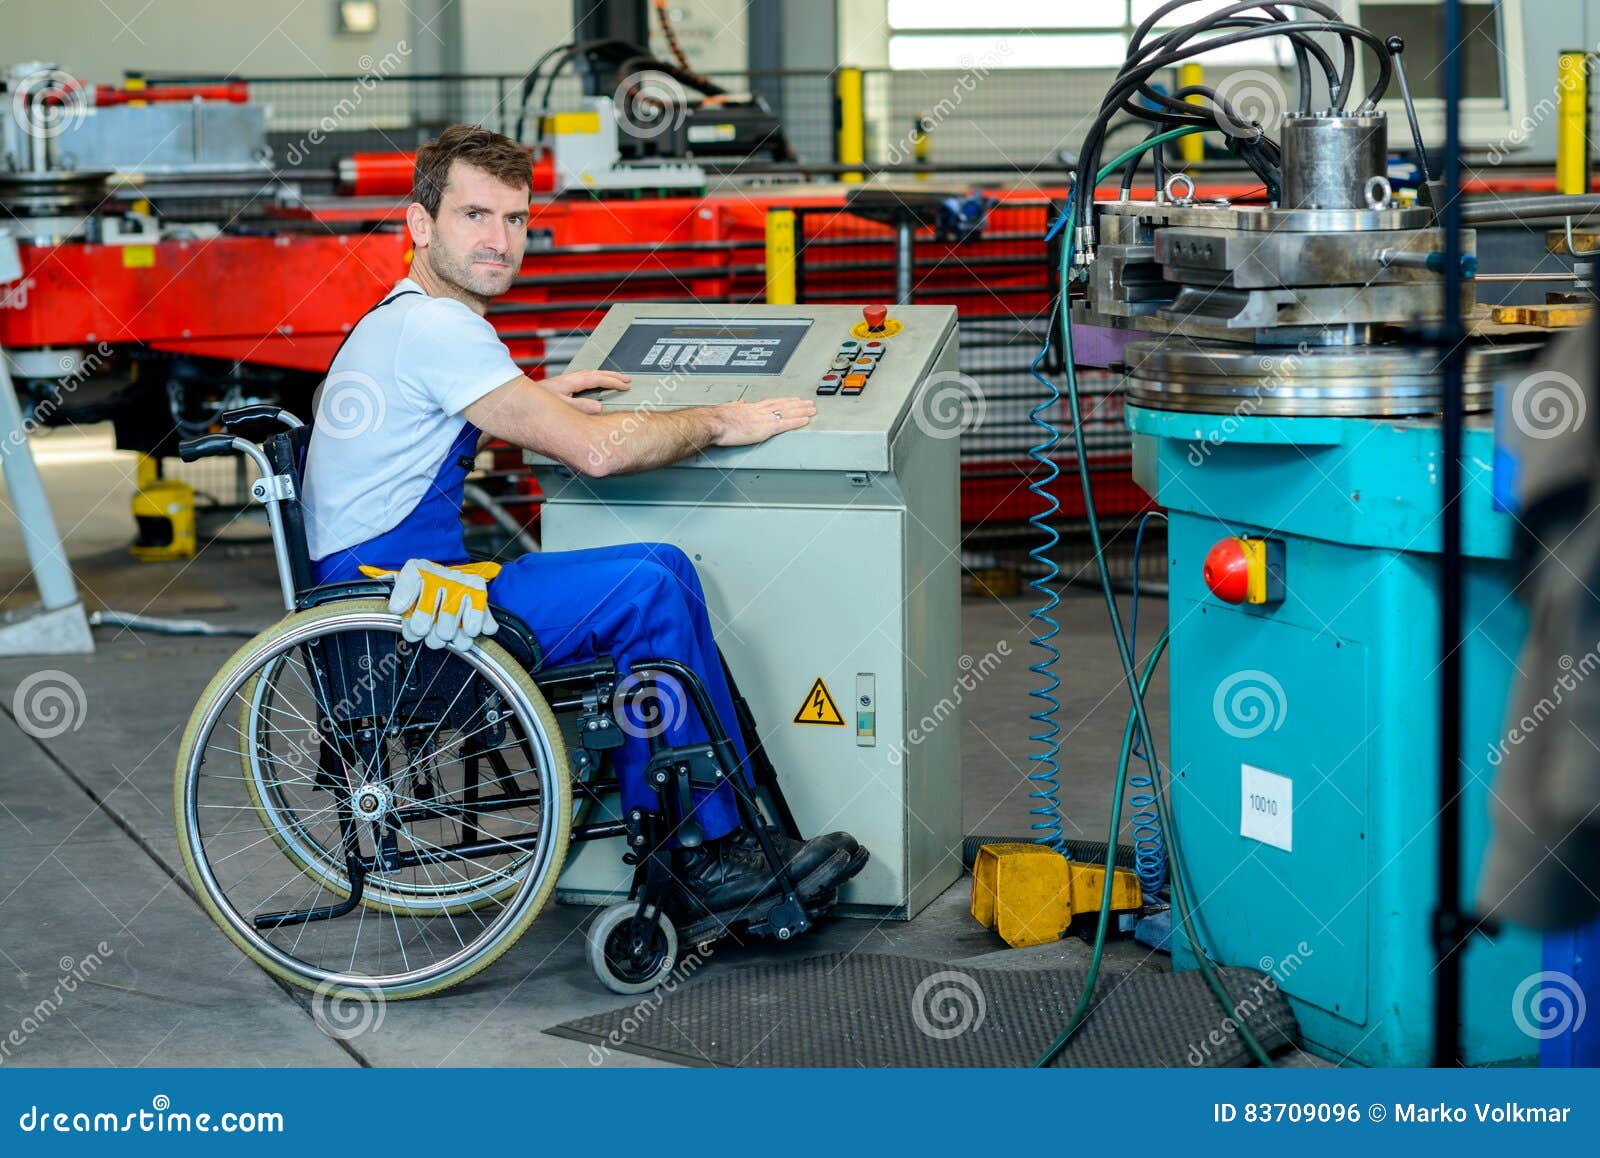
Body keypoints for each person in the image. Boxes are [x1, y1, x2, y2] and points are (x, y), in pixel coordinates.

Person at [301, 123, 865, 923]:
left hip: (405, 602)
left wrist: (530, 398)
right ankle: (700, 854)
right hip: (400, 628)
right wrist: (719, 421)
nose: (499, 240)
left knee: (663, 567)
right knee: (644, 590)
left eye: (516, 220)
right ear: (420, 225)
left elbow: (436, 413)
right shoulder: (437, 328)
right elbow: (598, 454)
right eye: (474, 216)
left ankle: (708, 828)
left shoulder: (407, 320)